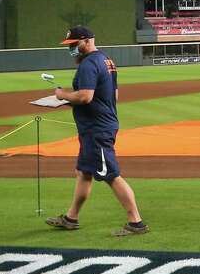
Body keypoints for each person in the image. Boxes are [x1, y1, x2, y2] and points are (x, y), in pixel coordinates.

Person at [45, 26, 149, 237]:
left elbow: (85, 97)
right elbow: (113, 96)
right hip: (99, 125)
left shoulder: (89, 64)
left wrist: (62, 95)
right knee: (84, 172)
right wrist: (71, 100)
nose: (72, 49)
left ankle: (136, 222)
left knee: (111, 175)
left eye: (74, 44)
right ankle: (71, 218)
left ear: (87, 41)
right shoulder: (106, 61)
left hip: (97, 129)